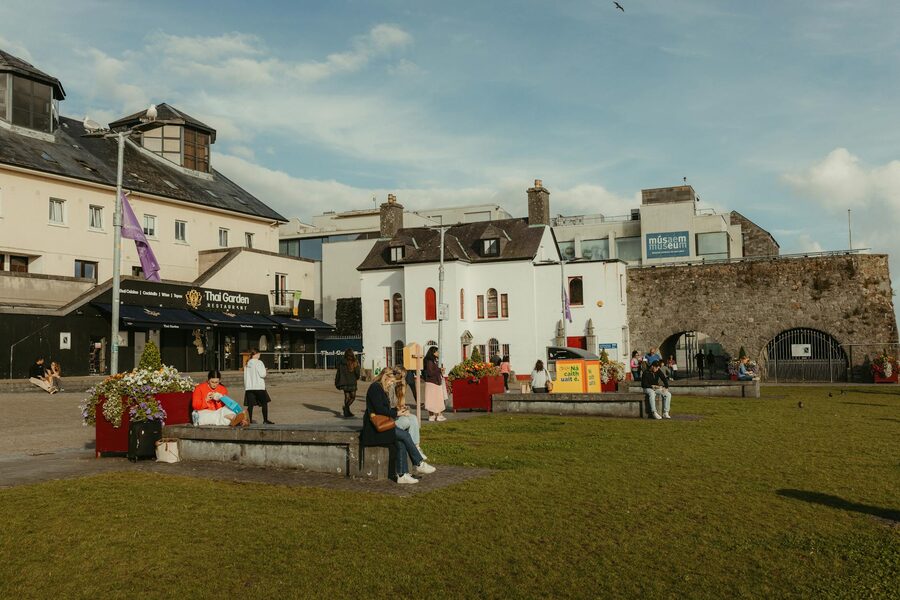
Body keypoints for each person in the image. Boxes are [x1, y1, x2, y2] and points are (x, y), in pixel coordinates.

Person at [360, 368, 435, 484]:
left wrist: (398, 410)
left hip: (382, 425)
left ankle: (402, 475)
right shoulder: (375, 388)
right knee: (404, 435)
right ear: (386, 377)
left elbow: (384, 409)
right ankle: (418, 463)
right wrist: (396, 413)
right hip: (374, 429)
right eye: (391, 382)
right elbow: (379, 409)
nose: (391, 384)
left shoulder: (380, 388)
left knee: (401, 441)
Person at [389, 367, 427, 459]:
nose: (403, 380)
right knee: (406, 421)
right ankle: (414, 449)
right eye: (402, 377)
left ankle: (416, 447)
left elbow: (400, 404)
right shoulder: (390, 387)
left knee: (413, 418)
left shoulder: (400, 386)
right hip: (389, 418)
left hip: (396, 414)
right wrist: (399, 412)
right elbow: (387, 408)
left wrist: (404, 409)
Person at [243, 348, 274, 424]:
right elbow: (262, 374)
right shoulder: (259, 362)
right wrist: (265, 370)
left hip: (249, 387)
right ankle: (265, 420)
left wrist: (246, 386)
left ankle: (249, 420)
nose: (260, 355)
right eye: (259, 353)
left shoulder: (247, 363)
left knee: (250, 405)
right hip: (259, 386)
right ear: (256, 354)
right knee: (264, 403)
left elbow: (245, 376)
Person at [335, 348, 361, 418]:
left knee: (347, 397)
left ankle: (347, 412)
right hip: (352, 381)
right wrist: (357, 377)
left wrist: (337, 381)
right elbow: (357, 372)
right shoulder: (355, 361)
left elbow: (338, 372)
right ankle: (346, 408)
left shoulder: (341, 362)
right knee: (353, 397)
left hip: (344, 382)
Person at [423, 346, 446, 422]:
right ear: (433, 352)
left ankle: (436, 415)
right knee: (432, 399)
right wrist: (439, 370)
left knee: (437, 399)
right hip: (432, 382)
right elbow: (430, 372)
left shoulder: (435, 360)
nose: (438, 353)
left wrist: (441, 371)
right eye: (437, 352)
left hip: (436, 382)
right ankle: (434, 415)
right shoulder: (429, 361)